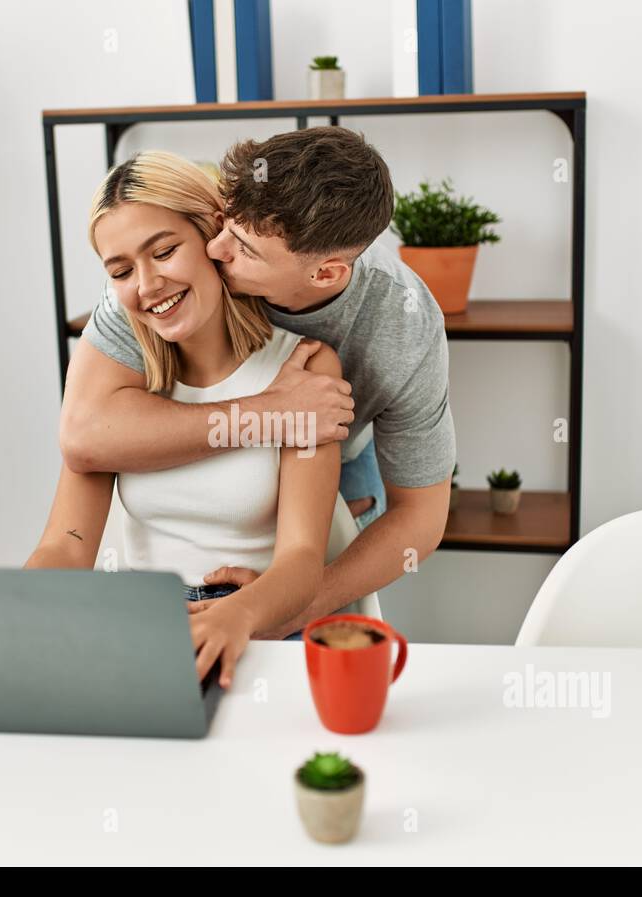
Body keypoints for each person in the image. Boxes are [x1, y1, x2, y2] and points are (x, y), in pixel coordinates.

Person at [61, 127, 456, 641]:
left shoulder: (399, 325)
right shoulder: (155, 286)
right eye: (225, 220)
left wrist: (288, 610)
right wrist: (268, 413)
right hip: (264, 417)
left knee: (334, 551)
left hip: (344, 437)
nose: (216, 246)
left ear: (324, 275)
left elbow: (420, 517)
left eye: (242, 246)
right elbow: (85, 440)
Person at [25, 151, 353, 690]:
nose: (148, 284)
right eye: (122, 271)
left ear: (213, 237)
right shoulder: (118, 385)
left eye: (165, 251)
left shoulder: (303, 369)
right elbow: (65, 543)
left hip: (259, 625)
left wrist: (239, 615)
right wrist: (17, 611)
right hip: (144, 622)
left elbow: (299, 562)